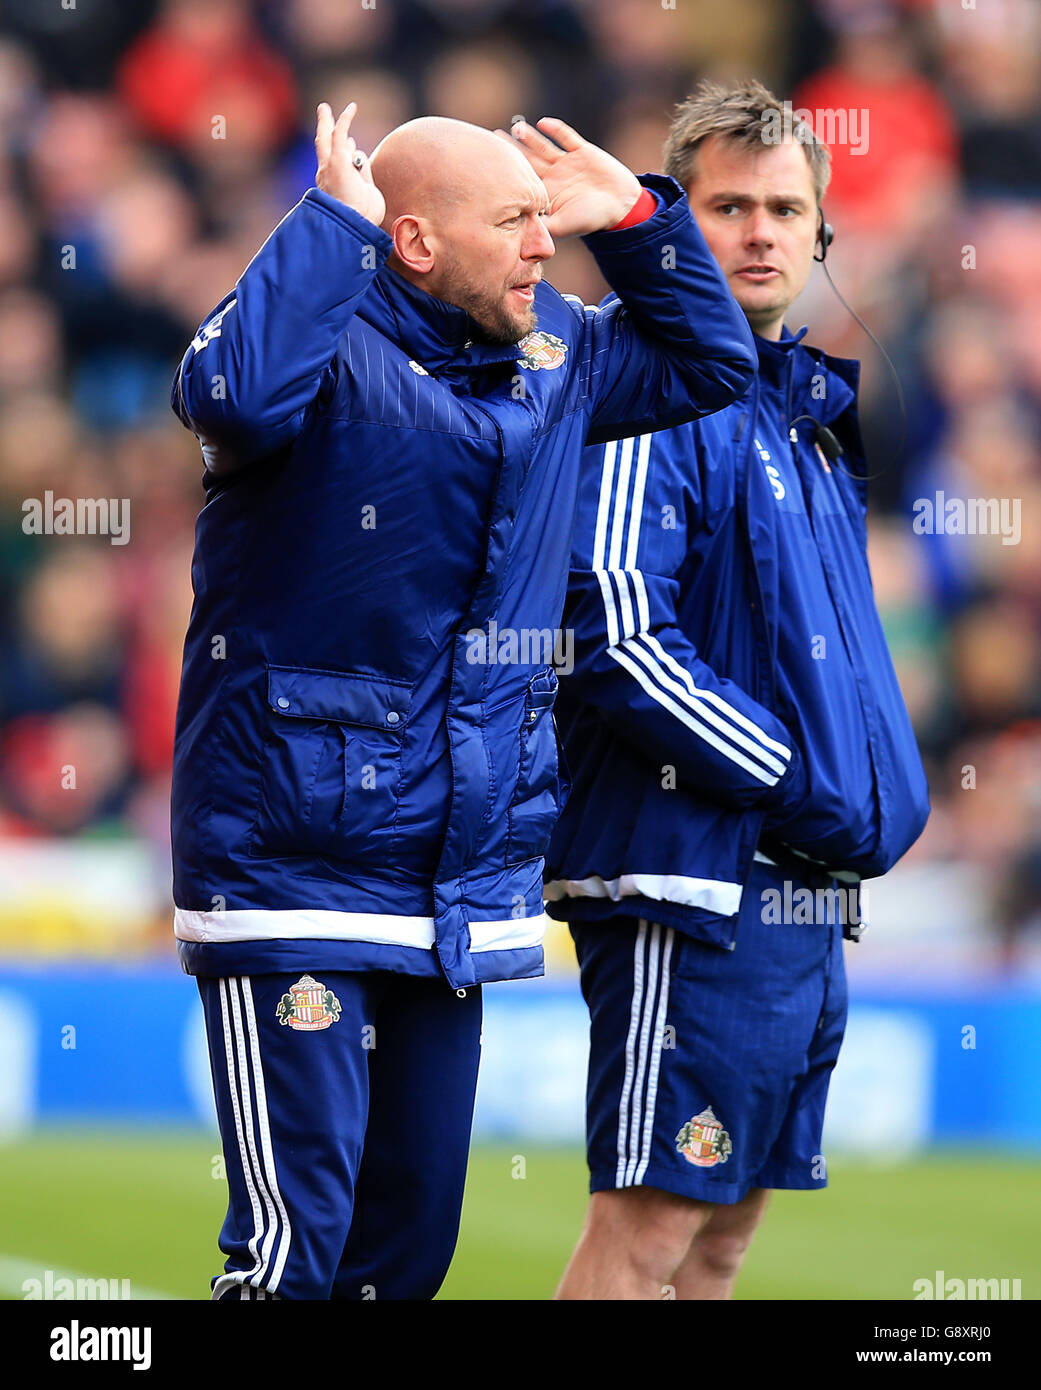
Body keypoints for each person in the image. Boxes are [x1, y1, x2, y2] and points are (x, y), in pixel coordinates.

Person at [169, 100, 756, 1300]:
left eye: (550, 222)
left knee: (406, 1257)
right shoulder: (311, 341)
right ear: (415, 242)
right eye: (518, 222)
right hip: (296, 863)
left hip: (457, 881)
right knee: (293, 1253)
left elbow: (715, 360)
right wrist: (329, 227)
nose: (548, 245)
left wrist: (639, 222)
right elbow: (228, 398)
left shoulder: (563, 358)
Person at [544, 79, 930, 1300]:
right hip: (691, 875)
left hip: (803, 884)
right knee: (649, 1230)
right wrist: (794, 776)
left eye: (784, 207)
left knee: (721, 1244)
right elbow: (615, 630)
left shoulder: (804, 414)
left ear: (822, 233)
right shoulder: (650, 388)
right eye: (727, 206)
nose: (760, 232)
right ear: (670, 218)